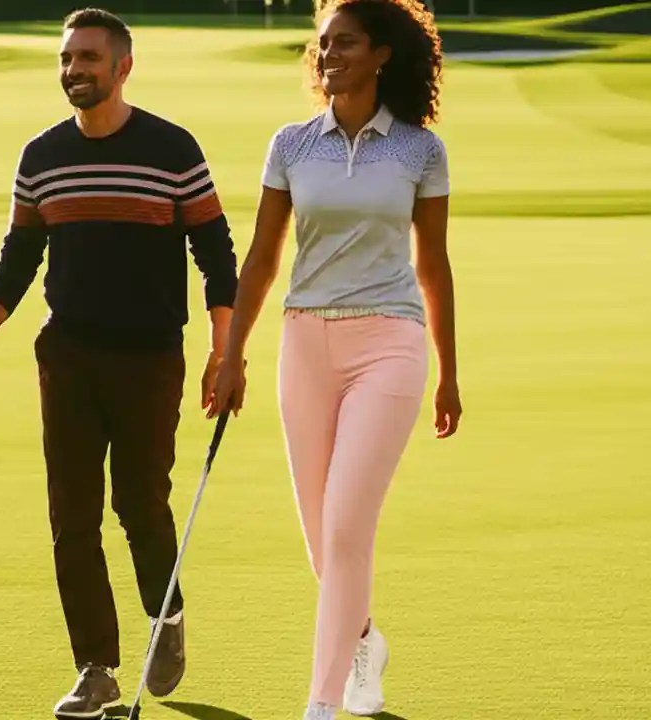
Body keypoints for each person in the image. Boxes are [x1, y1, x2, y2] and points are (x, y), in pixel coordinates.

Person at [0, 8, 238, 718]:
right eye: (66, 59)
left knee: (140, 504)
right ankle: (96, 668)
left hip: (149, 357)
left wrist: (223, 351)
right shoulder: (42, 156)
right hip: (68, 354)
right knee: (71, 516)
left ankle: (165, 617)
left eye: (88, 59)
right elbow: (19, 255)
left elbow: (215, 253)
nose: (74, 70)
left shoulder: (173, 149)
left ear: (123, 67)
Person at [208, 1, 462, 718]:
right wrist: (232, 355)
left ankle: (321, 704)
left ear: (382, 54)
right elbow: (262, 257)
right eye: (323, 44)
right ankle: (364, 640)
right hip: (305, 344)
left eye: (345, 43)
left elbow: (433, 265)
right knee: (323, 540)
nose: (329, 55)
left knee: (348, 526)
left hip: (390, 343)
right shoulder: (291, 144)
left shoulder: (419, 151)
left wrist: (448, 372)